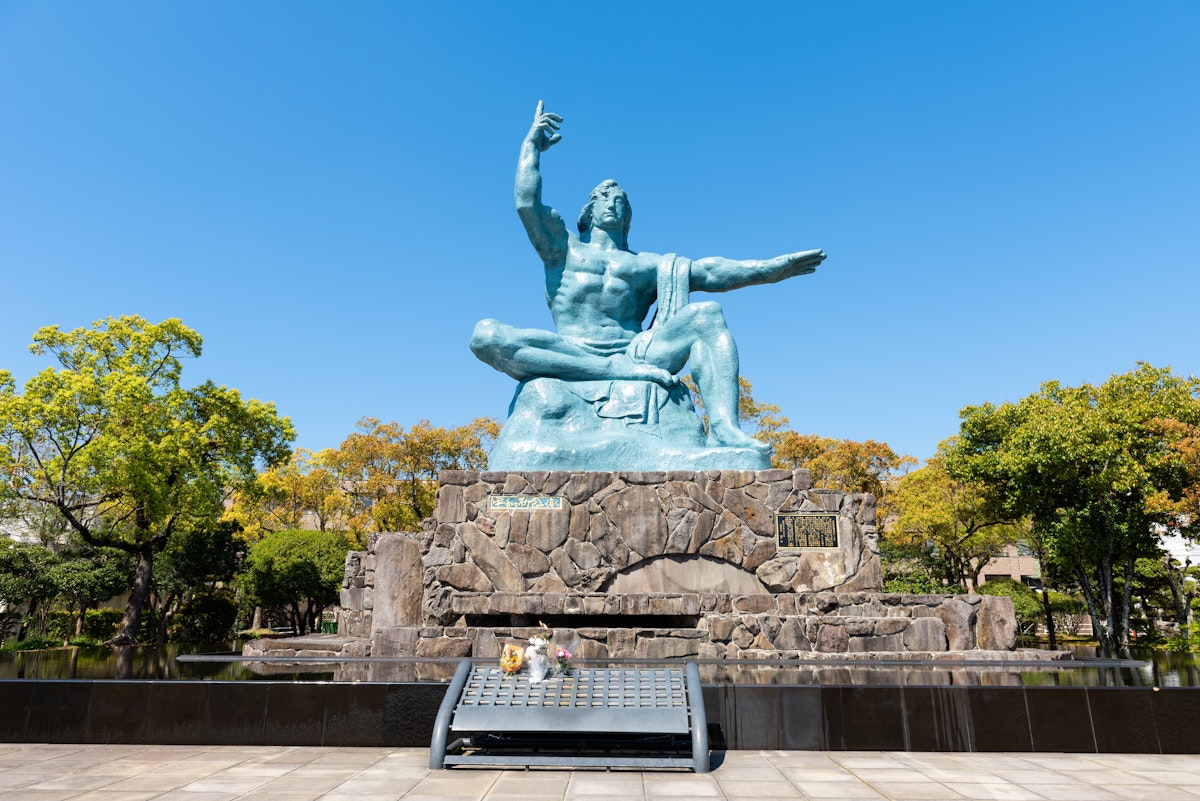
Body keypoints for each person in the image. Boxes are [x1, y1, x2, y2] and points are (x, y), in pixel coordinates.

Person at [471, 102, 825, 453]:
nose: (612, 203)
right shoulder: (562, 249)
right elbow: (526, 203)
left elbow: (710, 271)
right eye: (603, 197)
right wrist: (531, 147)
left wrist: (769, 270)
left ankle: (725, 429)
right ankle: (606, 369)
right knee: (486, 335)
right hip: (572, 349)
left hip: (636, 352)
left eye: (620, 200)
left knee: (707, 315)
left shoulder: (646, 265)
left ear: (628, 215)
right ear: (589, 211)